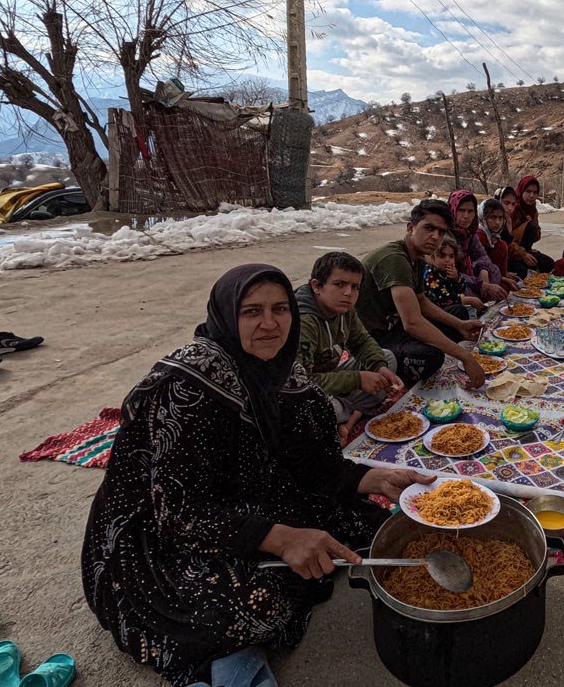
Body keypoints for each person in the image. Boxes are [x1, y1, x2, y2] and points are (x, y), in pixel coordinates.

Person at [82, 264, 435, 687]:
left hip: (247, 494)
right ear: (227, 315)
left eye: (280, 309)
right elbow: (177, 512)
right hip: (158, 536)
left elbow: (309, 461)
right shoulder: (188, 387)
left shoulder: (285, 370)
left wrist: (371, 479)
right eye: (252, 312)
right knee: (258, 601)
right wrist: (280, 538)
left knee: (366, 525)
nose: (270, 324)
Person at [355, 200, 486, 388]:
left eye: (441, 232)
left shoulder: (417, 259)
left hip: (396, 327)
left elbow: (422, 302)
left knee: (459, 313)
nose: (435, 237)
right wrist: (464, 356)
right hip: (374, 338)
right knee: (432, 356)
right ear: (411, 228)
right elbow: (412, 323)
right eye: (429, 228)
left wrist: (460, 324)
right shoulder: (395, 258)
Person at [294, 251, 404, 443]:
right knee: (323, 408)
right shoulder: (304, 321)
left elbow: (362, 342)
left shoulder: (344, 309)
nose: (348, 293)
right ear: (317, 286)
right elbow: (301, 382)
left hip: (331, 378)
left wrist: (379, 367)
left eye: (355, 287)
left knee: (387, 358)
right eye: (339, 284)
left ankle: (348, 418)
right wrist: (357, 380)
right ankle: (349, 414)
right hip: (305, 390)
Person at [447, 189, 506, 302]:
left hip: (470, 277)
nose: (466, 216)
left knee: (493, 270)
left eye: (470, 211)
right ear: (453, 210)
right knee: (469, 295)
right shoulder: (445, 236)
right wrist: (481, 284)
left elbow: (482, 256)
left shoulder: (470, 233)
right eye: (461, 210)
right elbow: (450, 273)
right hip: (452, 280)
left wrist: (484, 270)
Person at [502, 177, 556, 277]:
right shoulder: (511, 209)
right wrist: (523, 255)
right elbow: (506, 240)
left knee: (549, 263)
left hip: (526, 250)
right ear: (521, 190)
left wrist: (532, 223)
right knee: (521, 270)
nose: (531, 196)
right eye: (528, 191)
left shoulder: (533, 210)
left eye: (535, 192)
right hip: (510, 251)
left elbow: (537, 236)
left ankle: (527, 264)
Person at [424, 234, 485, 315]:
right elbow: (443, 299)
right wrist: (465, 300)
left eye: (451, 256)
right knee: (460, 310)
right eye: (442, 256)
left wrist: (457, 278)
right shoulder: (430, 273)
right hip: (435, 311)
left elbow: (461, 289)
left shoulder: (448, 270)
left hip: (451, 304)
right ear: (432, 256)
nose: (447, 260)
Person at [477, 197, 519, 291]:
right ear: (483, 218)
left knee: (502, 245)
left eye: (500, 218)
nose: (497, 222)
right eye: (493, 217)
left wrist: (504, 276)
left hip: (493, 275)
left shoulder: (496, 238)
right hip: (477, 279)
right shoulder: (479, 236)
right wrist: (502, 278)